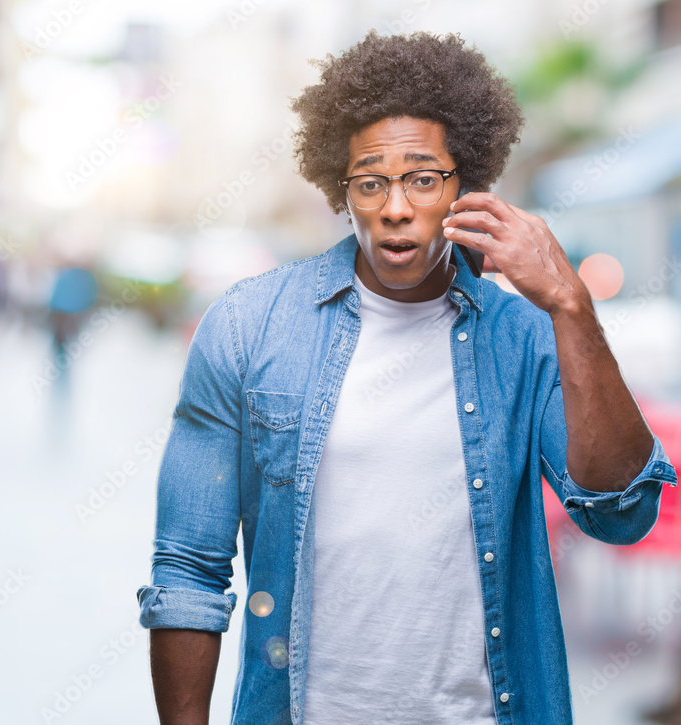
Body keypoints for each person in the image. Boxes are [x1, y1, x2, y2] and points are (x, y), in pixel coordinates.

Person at [136, 30, 678, 725]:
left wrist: (572, 306)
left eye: (423, 177)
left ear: (465, 185)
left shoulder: (524, 339)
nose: (396, 206)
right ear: (344, 187)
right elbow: (188, 568)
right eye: (372, 181)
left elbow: (620, 511)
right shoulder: (247, 328)